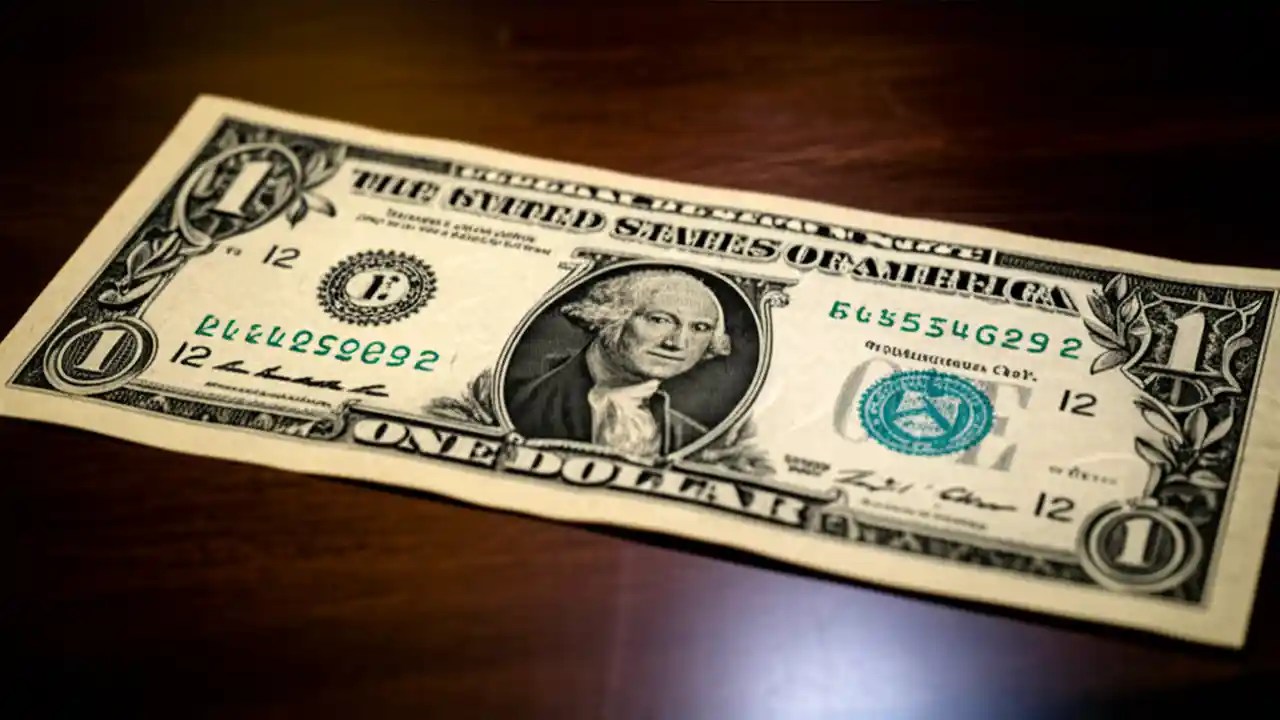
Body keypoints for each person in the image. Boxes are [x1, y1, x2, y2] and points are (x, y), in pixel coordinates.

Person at [506, 269, 731, 457]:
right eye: (659, 320)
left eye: (700, 328)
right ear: (611, 317)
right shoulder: (520, 401)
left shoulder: (694, 438)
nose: (677, 343)